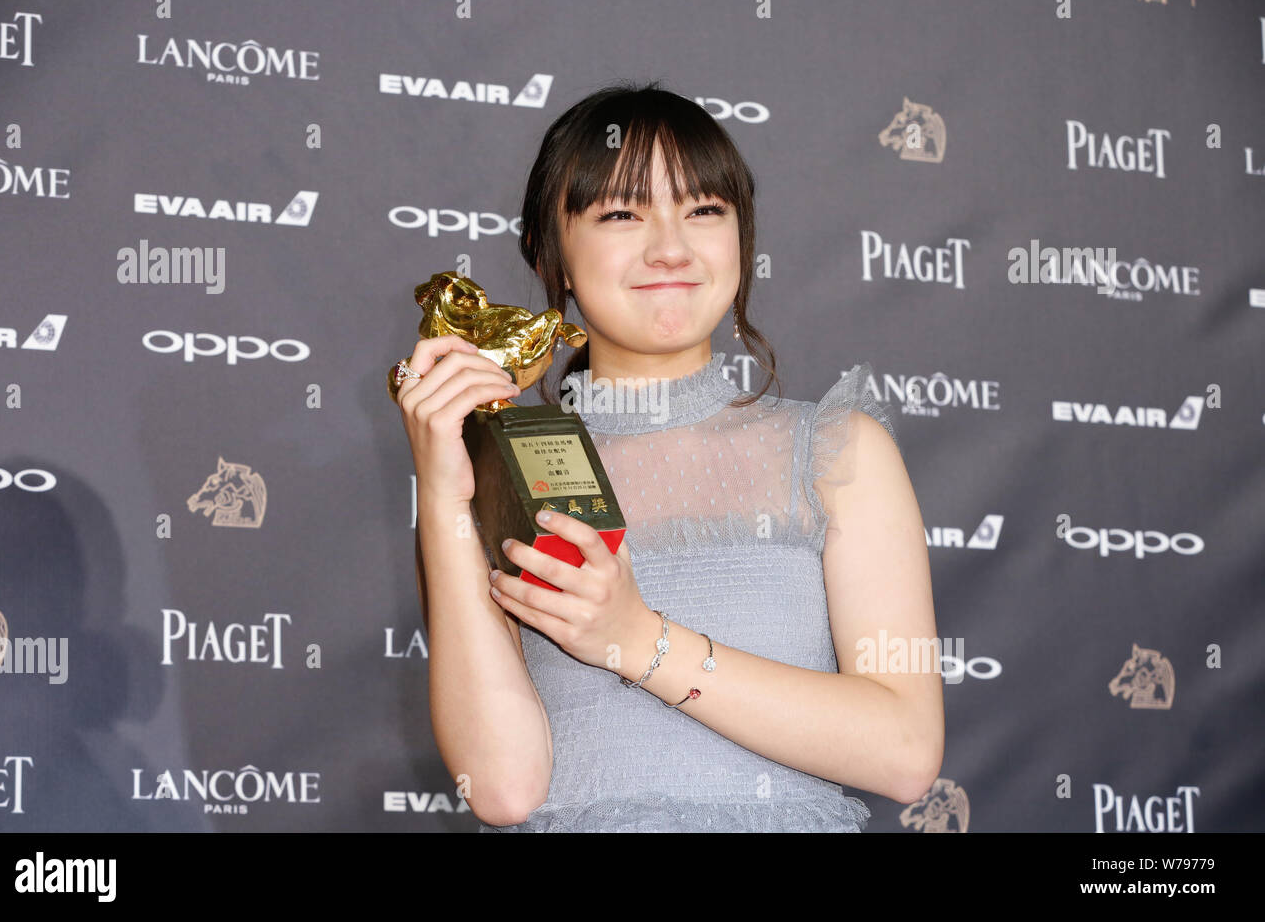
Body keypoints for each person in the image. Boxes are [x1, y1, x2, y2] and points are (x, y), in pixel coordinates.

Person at [395, 81, 943, 832]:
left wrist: (636, 640)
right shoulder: (503, 470)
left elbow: (905, 752)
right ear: (548, 251)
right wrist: (446, 494)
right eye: (621, 213)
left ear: (741, 242)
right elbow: (500, 788)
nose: (671, 247)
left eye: (704, 211)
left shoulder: (838, 453)